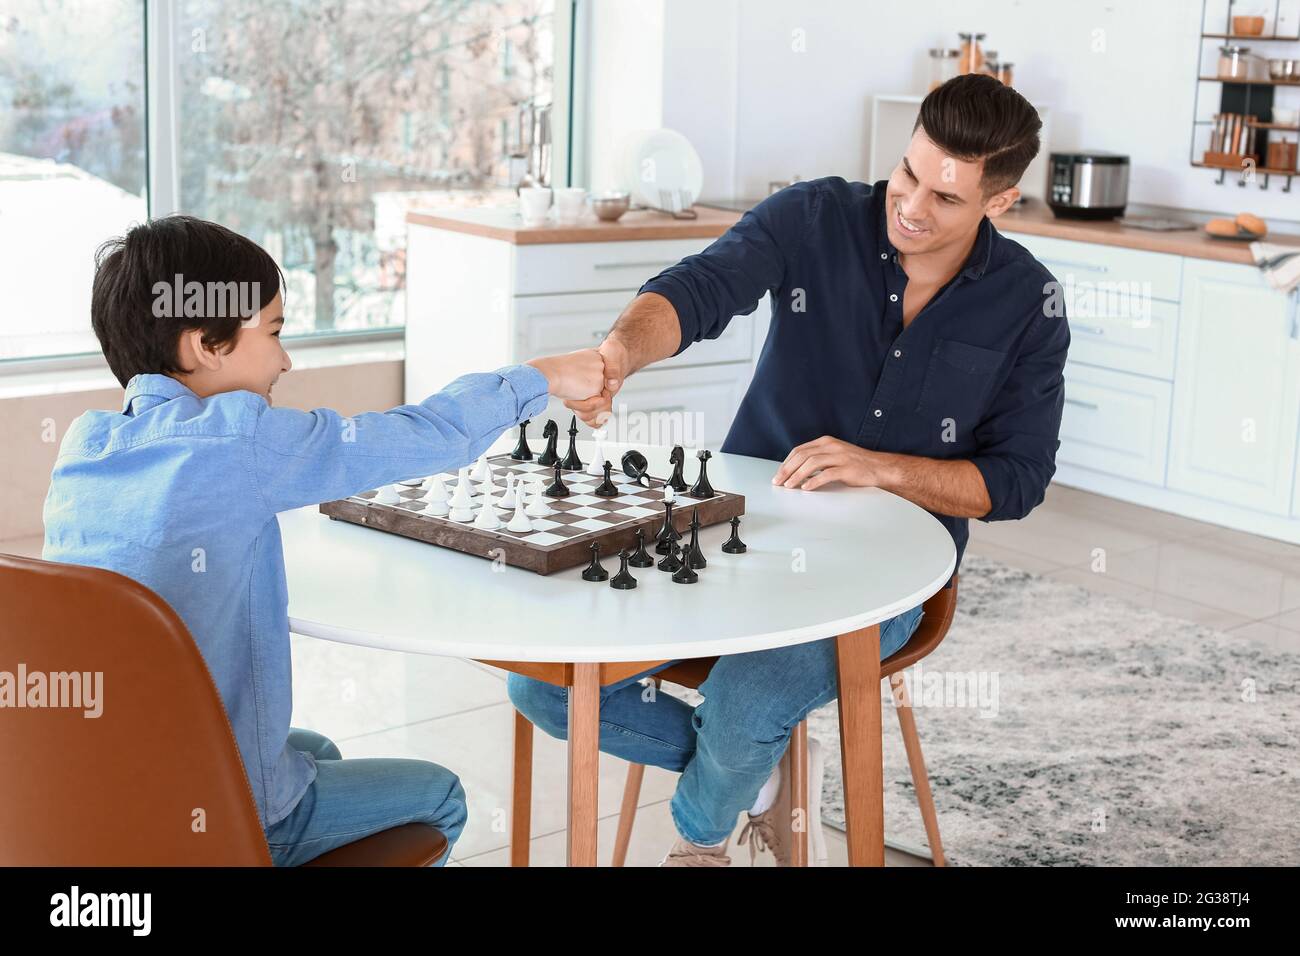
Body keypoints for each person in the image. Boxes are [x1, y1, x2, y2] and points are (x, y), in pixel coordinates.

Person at [509, 74, 1070, 866]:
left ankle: (701, 839)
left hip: (890, 572)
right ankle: (761, 780)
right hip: (742, 527)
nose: (911, 206)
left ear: (1000, 204)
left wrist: (881, 469)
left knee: (747, 705)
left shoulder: (1027, 303)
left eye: (946, 199)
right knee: (542, 680)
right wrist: (617, 356)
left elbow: (1015, 481)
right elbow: (700, 288)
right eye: (909, 173)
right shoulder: (817, 217)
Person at [42, 215, 606, 865]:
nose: (285, 359)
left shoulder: (84, 446)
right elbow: (422, 433)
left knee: (316, 751)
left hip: (104, 796)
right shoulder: (238, 440)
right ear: (204, 344)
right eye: (274, 333)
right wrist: (544, 375)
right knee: (442, 797)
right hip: (219, 812)